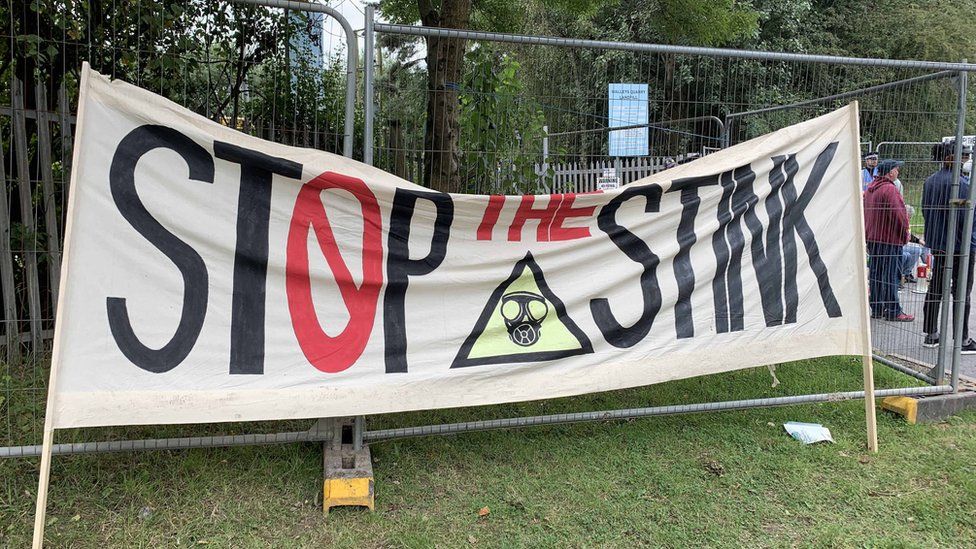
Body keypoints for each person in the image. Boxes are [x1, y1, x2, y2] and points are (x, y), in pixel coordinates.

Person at [921, 141, 976, 352]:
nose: (966, 159)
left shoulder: (930, 181)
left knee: (936, 288)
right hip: (961, 247)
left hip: (939, 244)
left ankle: (931, 333)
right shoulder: (961, 184)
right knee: (962, 291)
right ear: (950, 157)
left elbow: (926, 211)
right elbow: (968, 219)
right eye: (962, 155)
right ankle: (962, 339)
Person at [864, 159, 913, 321]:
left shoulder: (871, 188)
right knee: (891, 275)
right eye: (897, 169)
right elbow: (899, 215)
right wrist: (904, 233)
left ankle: (877, 307)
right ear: (890, 172)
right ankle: (893, 310)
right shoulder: (889, 189)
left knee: (877, 274)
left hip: (873, 238)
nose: (898, 172)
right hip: (889, 239)